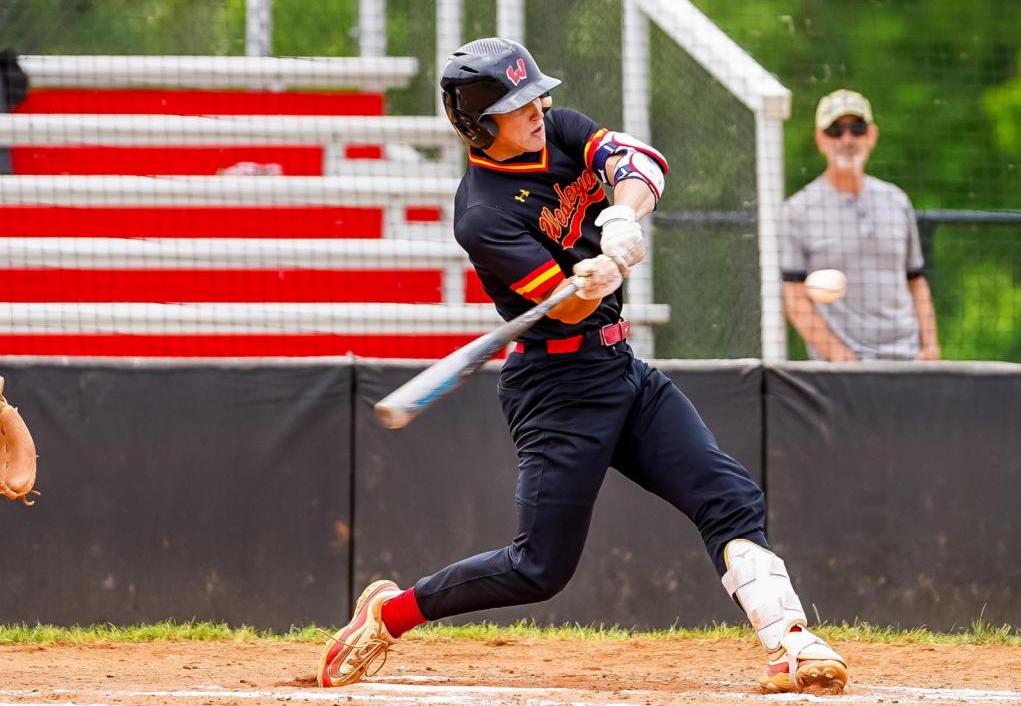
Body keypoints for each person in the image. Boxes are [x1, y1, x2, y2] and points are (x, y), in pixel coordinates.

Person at [316, 38, 848, 695]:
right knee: (540, 568)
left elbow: (641, 161)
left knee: (729, 497)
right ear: (479, 124)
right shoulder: (481, 214)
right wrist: (589, 280)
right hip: (557, 386)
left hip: (621, 366)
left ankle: (791, 644)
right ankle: (390, 614)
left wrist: (623, 214)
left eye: (537, 94)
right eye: (518, 104)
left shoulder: (560, 130)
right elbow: (563, 313)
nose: (538, 107)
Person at [781, 89, 939, 362]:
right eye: (835, 130)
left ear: (872, 135)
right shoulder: (798, 210)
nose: (847, 139)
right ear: (820, 139)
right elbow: (793, 297)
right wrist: (842, 359)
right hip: (841, 372)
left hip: (909, 359)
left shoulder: (896, 200)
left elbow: (916, 280)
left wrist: (930, 348)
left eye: (857, 128)